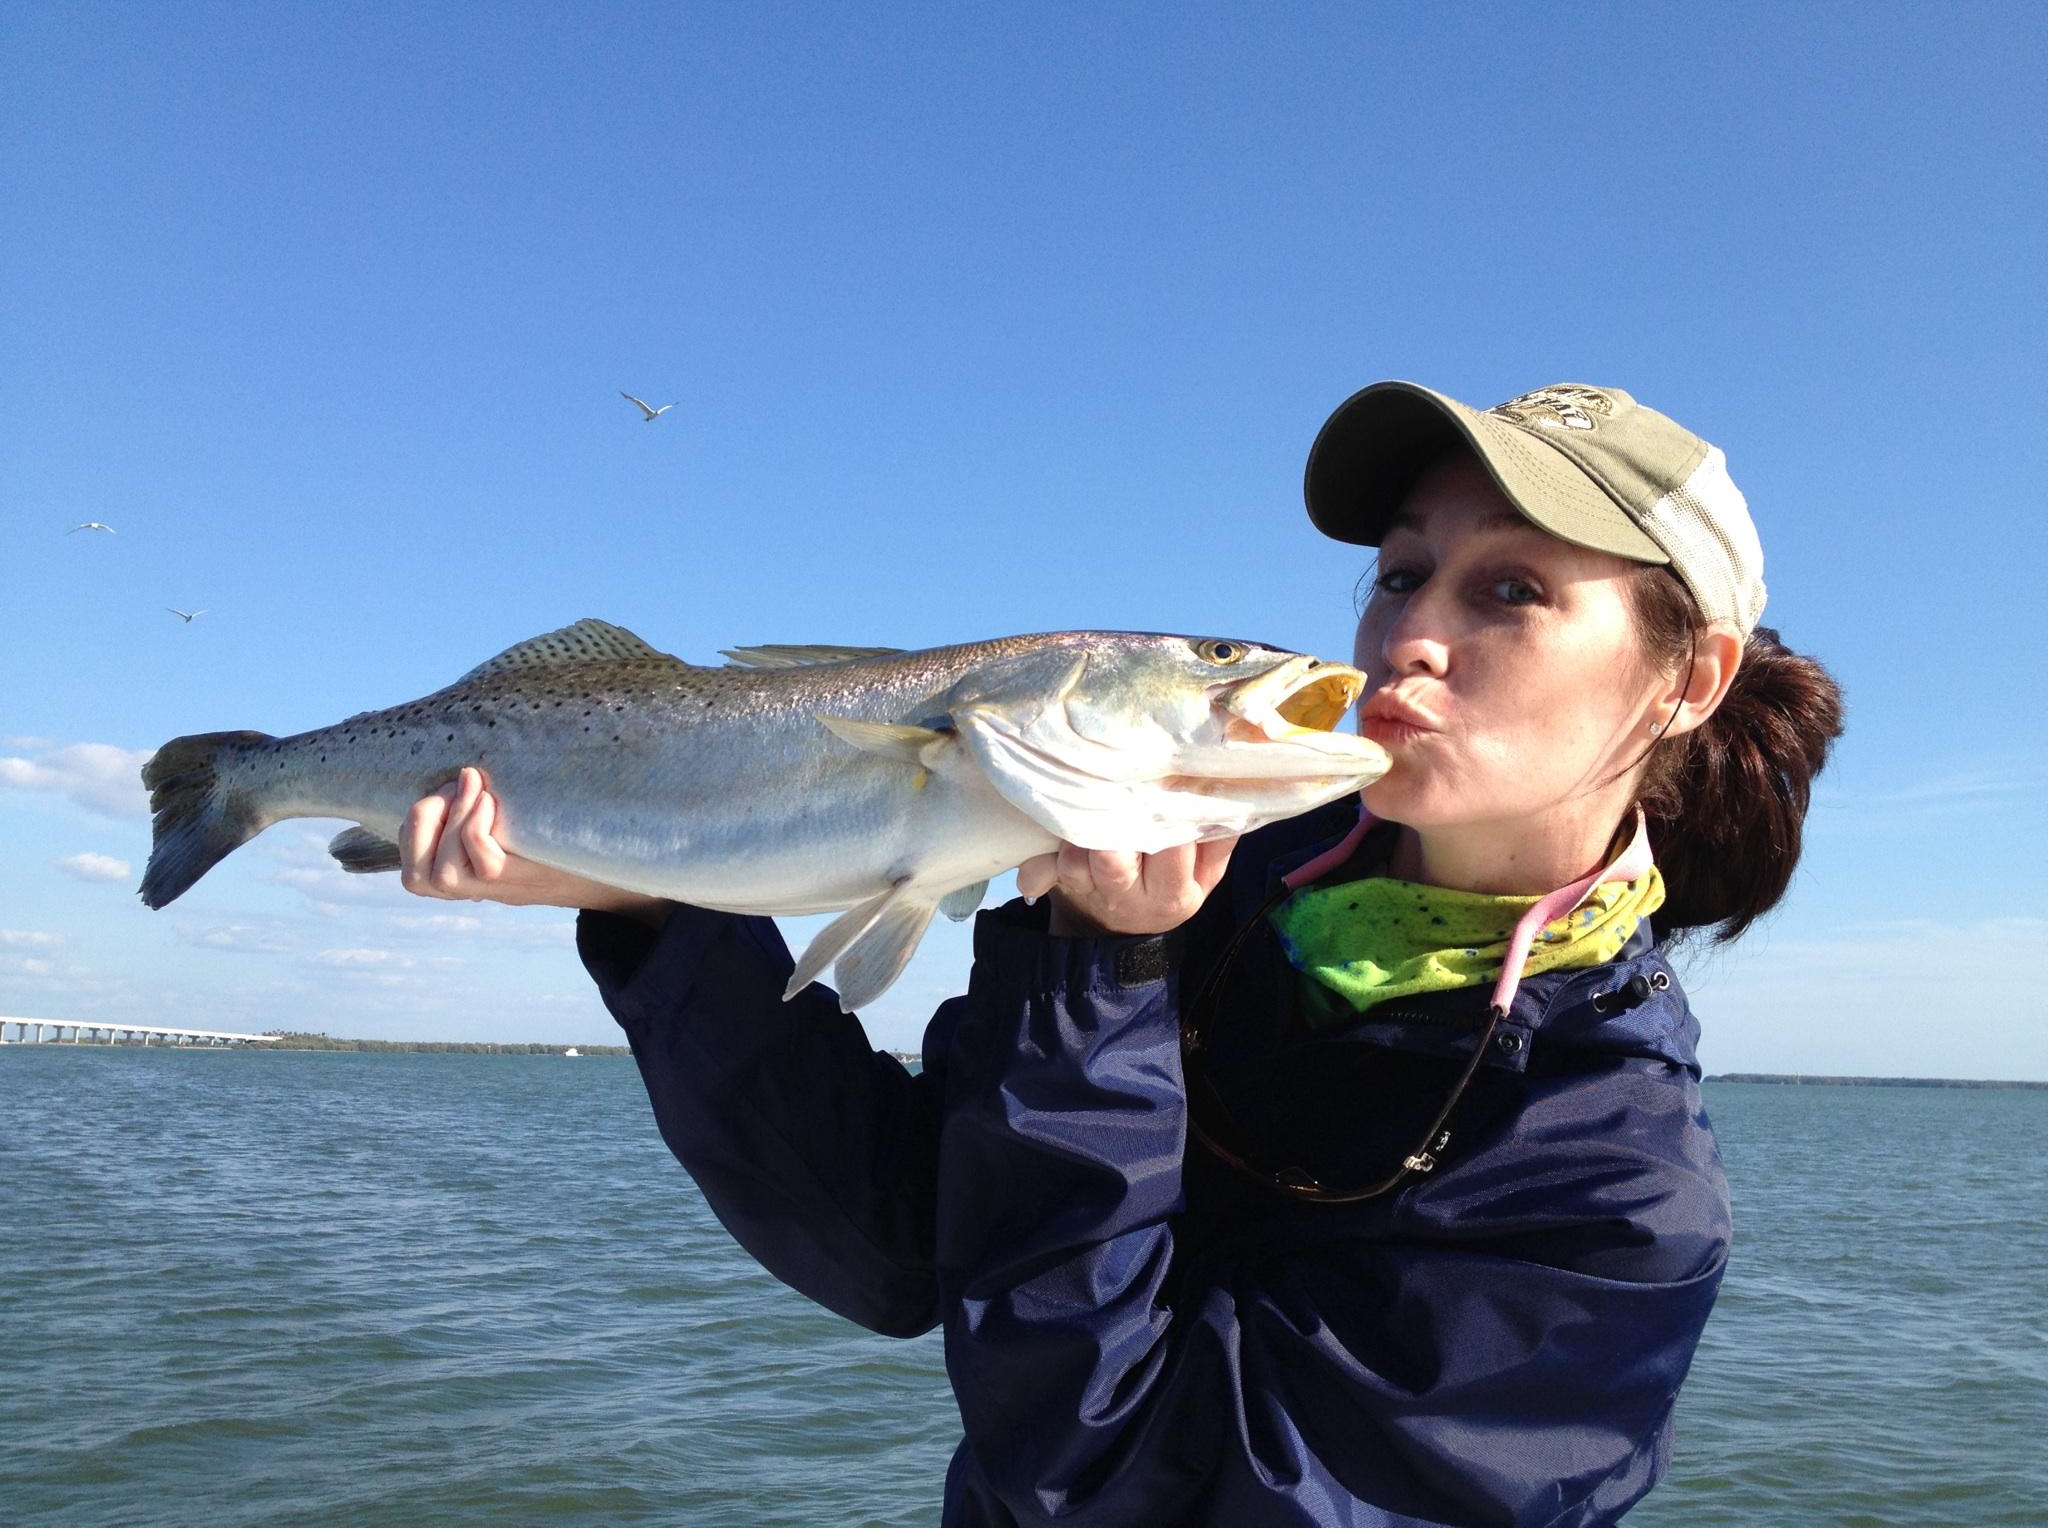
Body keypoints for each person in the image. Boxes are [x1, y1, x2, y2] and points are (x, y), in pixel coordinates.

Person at [399, 380, 1845, 1527]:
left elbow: (1118, 1487)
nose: (1408, 638)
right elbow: (903, 1246)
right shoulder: (1185, 874)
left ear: (1687, 678)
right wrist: (662, 915)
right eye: (1402, 573)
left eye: (1513, 592)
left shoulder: (1615, 1193)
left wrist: (1097, 990)